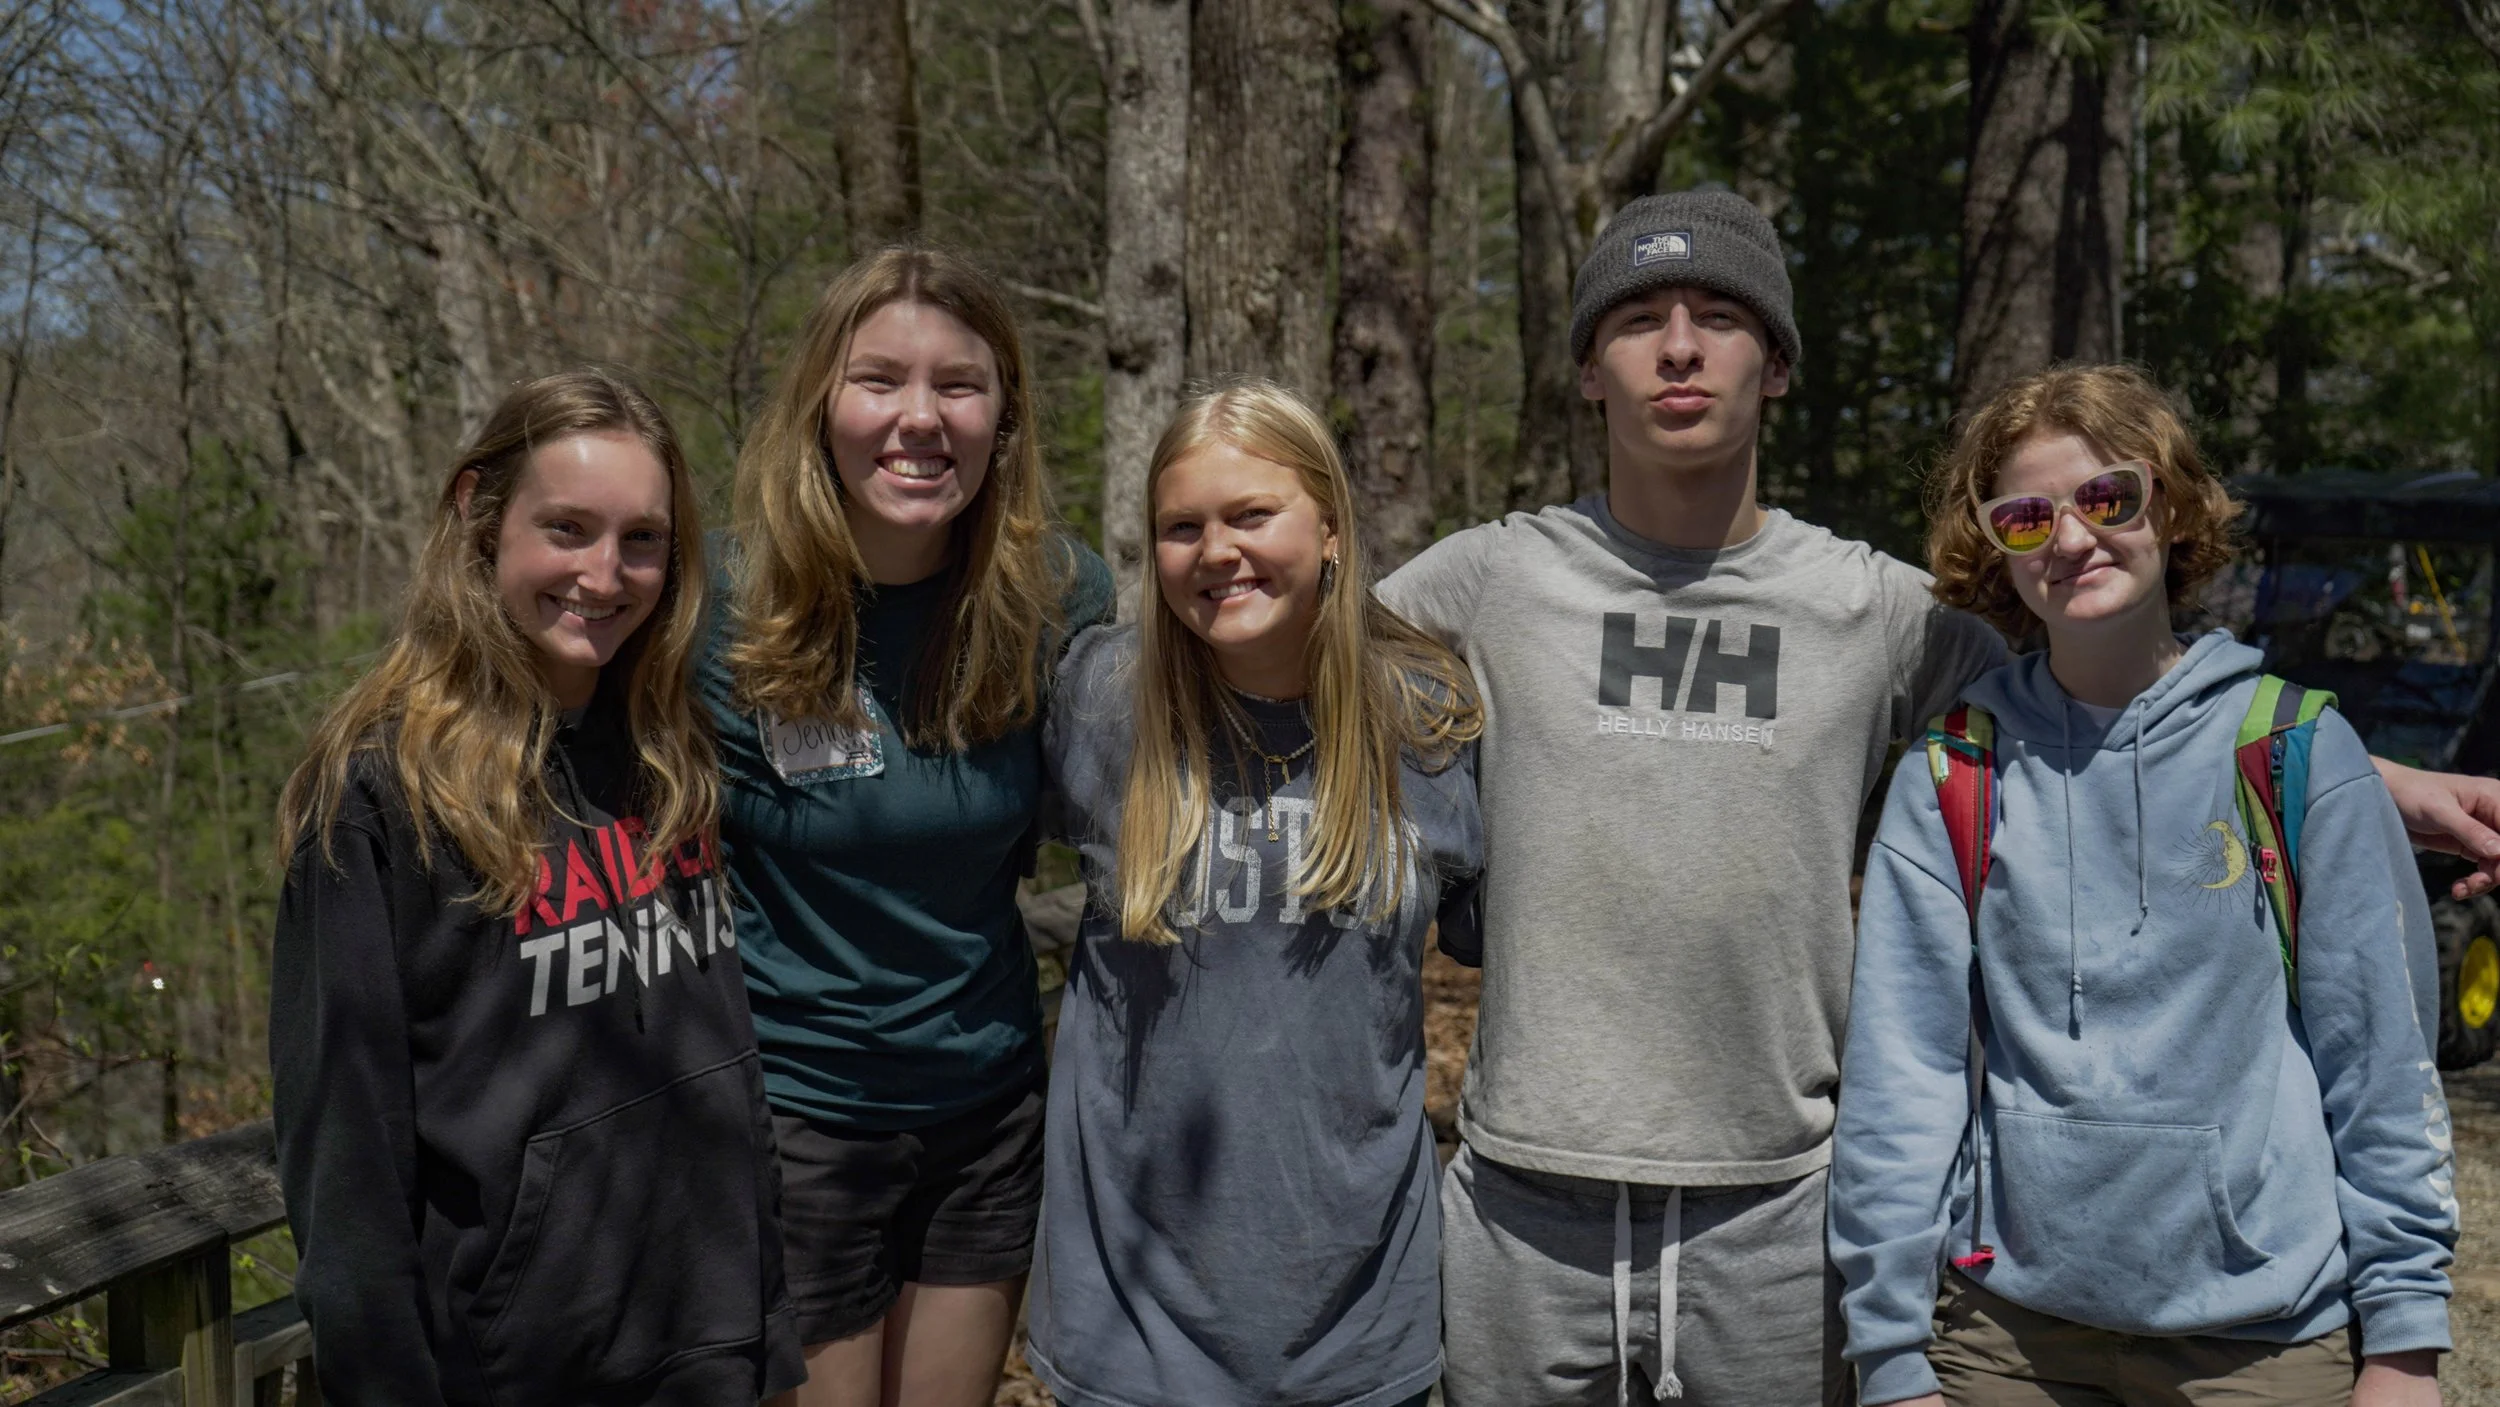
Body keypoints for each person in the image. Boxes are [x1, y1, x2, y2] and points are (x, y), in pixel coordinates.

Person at [1377, 188, 2499, 1407]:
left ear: (1779, 366)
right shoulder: (1483, 581)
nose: (1681, 345)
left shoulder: (1879, 614)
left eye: (1718, 316)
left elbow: (2114, 693)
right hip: (1524, 1198)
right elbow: (1274, 662)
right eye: (1640, 317)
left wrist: (2361, 776)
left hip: (1780, 1209)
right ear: (1591, 369)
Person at [1831, 363, 2454, 1406]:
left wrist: (2404, 1346)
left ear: (2169, 505)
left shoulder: (2294, 749)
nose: (2071, 539)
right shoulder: (1955, 771)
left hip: (2262, 1337)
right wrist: (1891, 1356)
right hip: (2003, 1339)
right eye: (2025, 517)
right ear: (1995, 549)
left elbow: (2381, 1064)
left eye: (2106, 497)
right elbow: (1904, 1080)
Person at [271, 369, 803, 1405]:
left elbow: (723, 1067)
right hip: (519, 1368)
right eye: (567, 529)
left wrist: (767, 1325)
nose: (603, 575)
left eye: (641, 540)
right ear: (479, 515)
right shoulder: (380, 796)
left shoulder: (667, 750)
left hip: (709, 1346)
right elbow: (348, 1168)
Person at [696, 247, 1112, 1407]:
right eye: (879, 379)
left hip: (987, 1108)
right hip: (800, 1119)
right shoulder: (715, 604)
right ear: (821, 404)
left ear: (1004, 416)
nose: (919, 418)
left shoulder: (1057, 601)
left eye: (959, 386)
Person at [1023, 378, 1483, 1407]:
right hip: (1130, 1326)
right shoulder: (1099, 702)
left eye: (1252, 514)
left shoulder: (1429, 721)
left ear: (1329, 528)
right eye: (1181, 527)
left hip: (1361, 1321)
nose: (1216, 550)